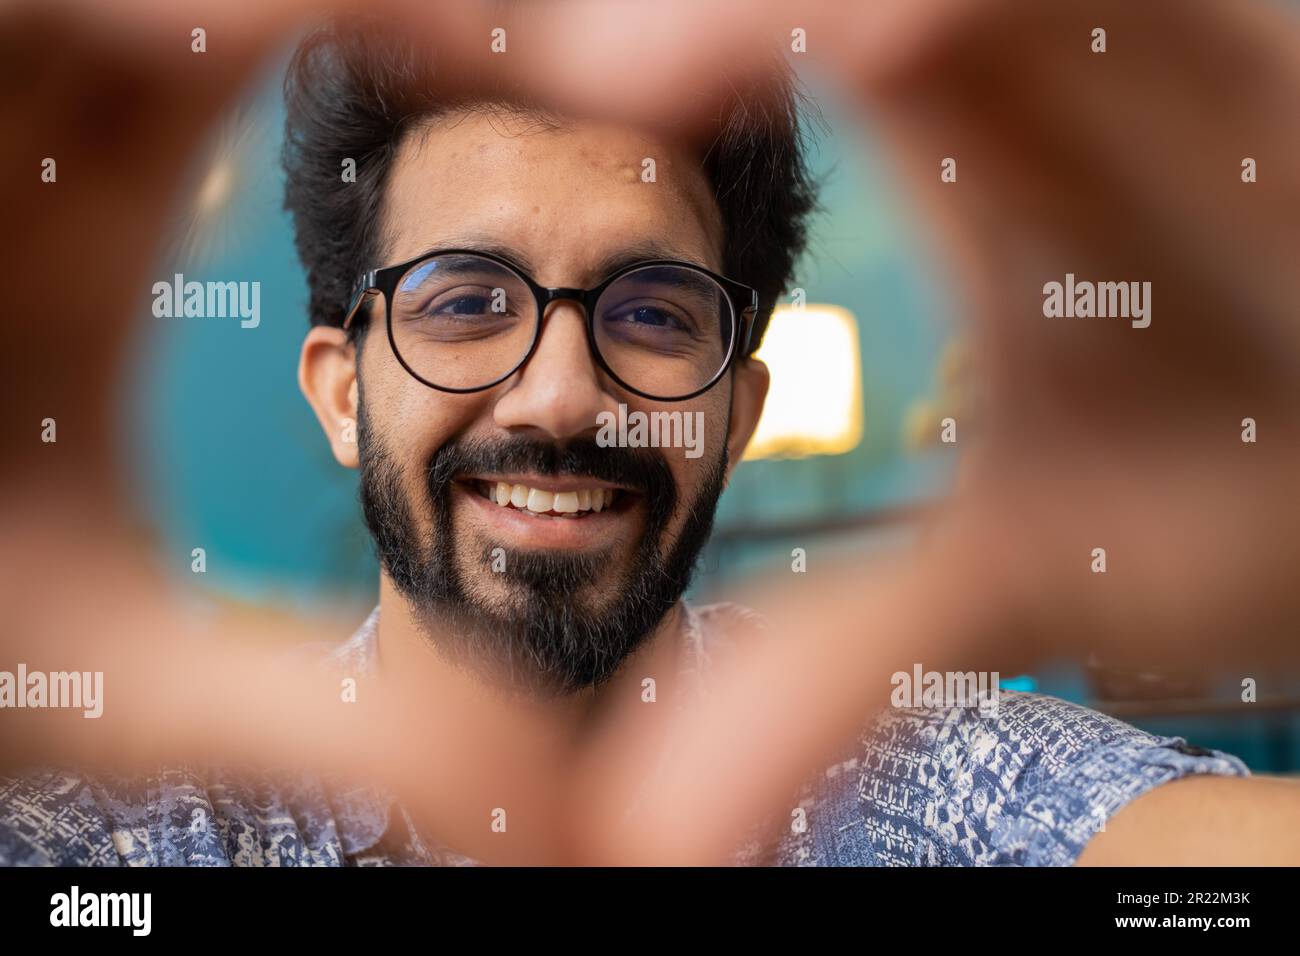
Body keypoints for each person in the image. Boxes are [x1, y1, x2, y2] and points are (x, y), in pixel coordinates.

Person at [5, 11, 1296, 867]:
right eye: (465, 302)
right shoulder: (130, 842)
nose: (562, 400)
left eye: (652, 314)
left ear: (740, 409)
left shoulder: (939, 783)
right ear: (344, 393)